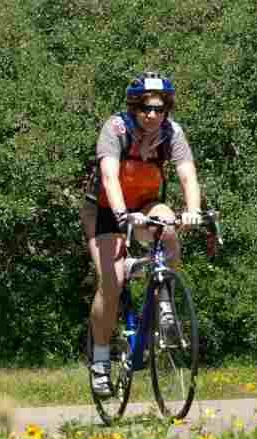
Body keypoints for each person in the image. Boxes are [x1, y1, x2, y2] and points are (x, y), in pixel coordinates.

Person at [80, 72, 204, 398]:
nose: (152, 115)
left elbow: (187, 175)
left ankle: (165, 304)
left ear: (166, 110)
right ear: (134, 107)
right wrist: (123, 215)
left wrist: (193, 210)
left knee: (169, 225)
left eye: (158, 109)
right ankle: (100, 360)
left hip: (146, 203)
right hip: (106, 209)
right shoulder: (116, 129)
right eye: (145, 108)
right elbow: (109, 176)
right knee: (112, 281)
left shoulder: (172, 132)